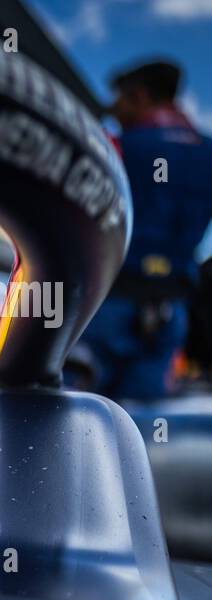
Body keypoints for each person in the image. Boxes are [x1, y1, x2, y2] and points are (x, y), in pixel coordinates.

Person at [81, 60, 212, 400]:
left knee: (74, 415)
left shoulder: (113, 147)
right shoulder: (206, 152)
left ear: (139, 96)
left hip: (106, 304)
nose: (114, 109)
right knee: (141, 426)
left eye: (120, 99)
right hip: (171, 310)